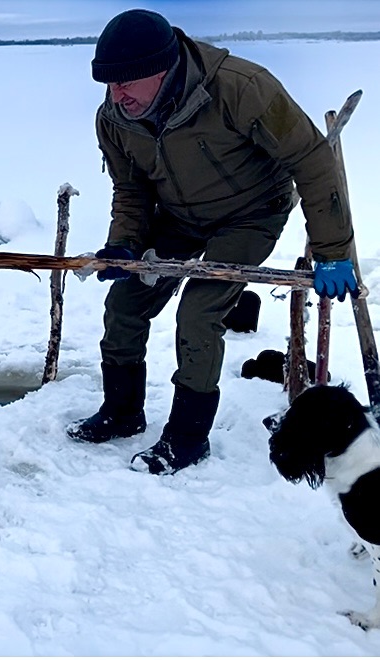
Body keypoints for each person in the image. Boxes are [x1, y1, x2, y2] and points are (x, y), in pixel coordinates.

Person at [67, 8, 360, 475]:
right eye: (107, 83)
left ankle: (186, 438)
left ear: (161, 68)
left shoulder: (242, 88)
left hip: (251, 214)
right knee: (125, 305)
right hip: (178, 218)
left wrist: (332, 253)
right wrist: (124, 244)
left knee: (199, 314)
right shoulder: (116, 117)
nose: (116, 94)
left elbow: (311, 160)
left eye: (125, 81)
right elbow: (131, 189)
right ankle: (121, 414)